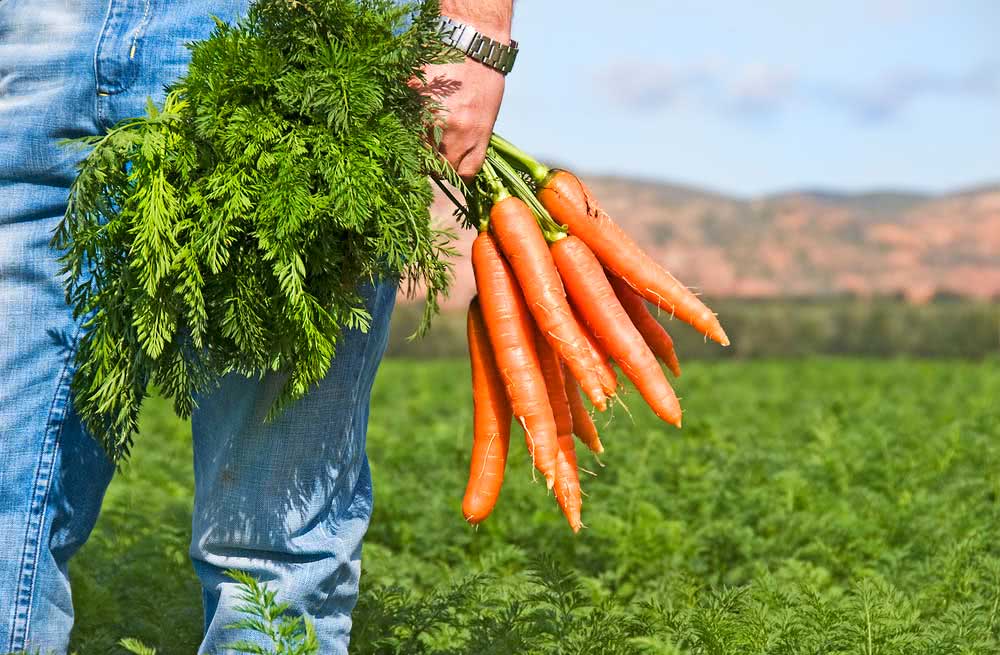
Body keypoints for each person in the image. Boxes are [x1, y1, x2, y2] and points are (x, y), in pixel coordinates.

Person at [0, 0, 512, 652]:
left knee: (272, 549)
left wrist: (478, 34)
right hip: (48, 39)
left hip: (303, 48)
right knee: (7, 505)